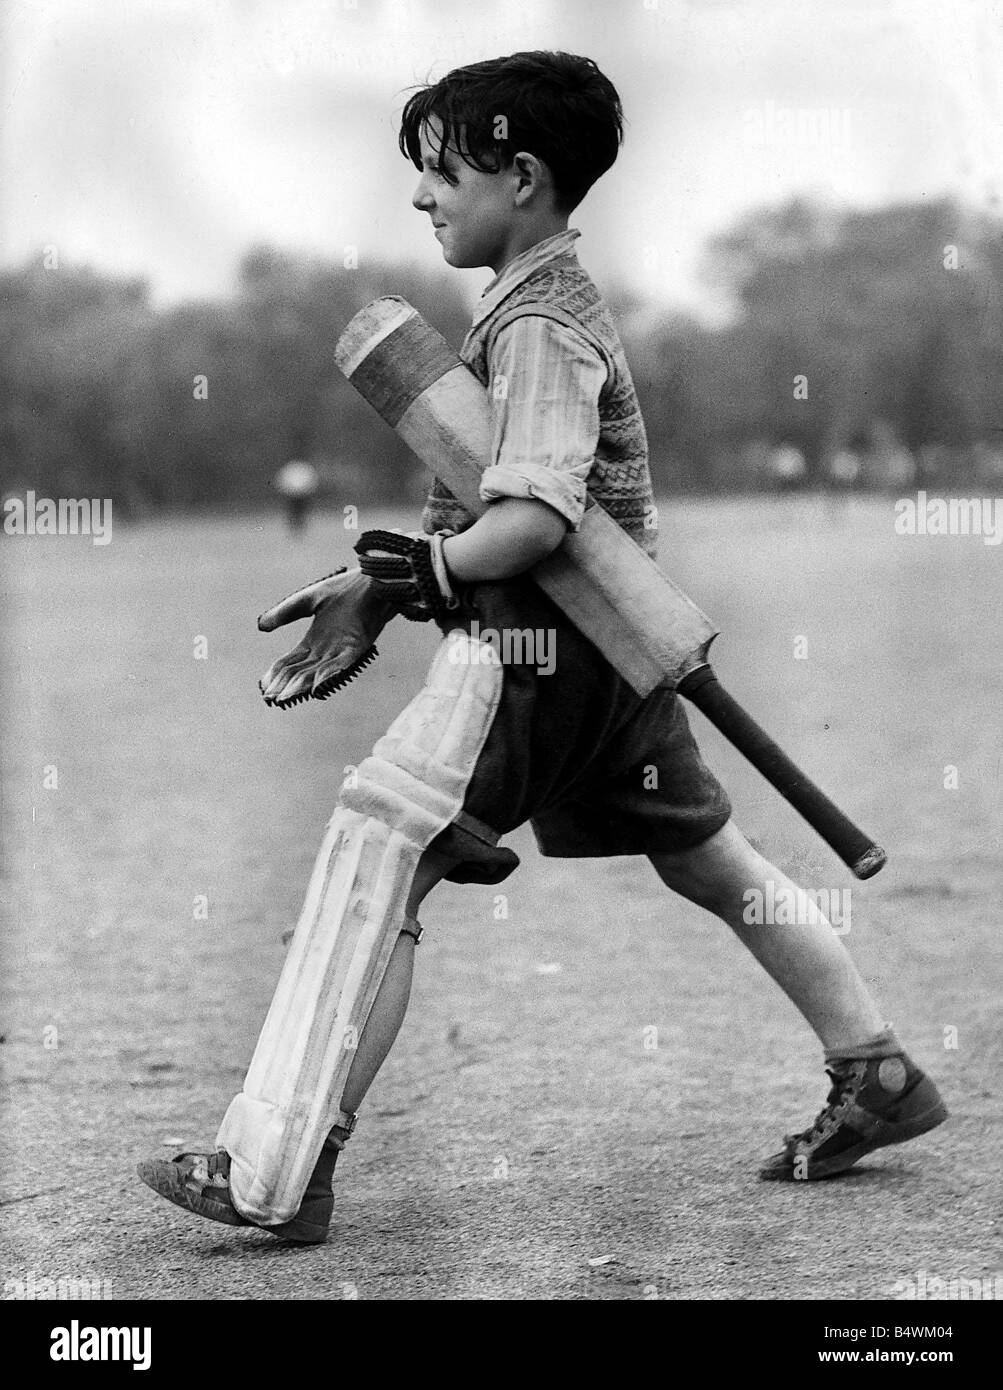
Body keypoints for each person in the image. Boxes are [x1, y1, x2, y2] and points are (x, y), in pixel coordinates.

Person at [138, 51, 947, 1244]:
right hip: (614, 658)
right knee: (712, 864)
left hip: (536, 660)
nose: (422, 197)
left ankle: (277, 1164)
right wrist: (389, 572)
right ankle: (873, 1067)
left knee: (379, 867)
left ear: (522, 176)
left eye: (442, 173)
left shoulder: (543, 326)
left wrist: (432, 571)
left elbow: (536, 515)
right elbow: (500, 497)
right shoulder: (533, 306)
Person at [273, 458, 319, 533]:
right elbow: (281, 480)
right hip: (292, 495)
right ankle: (293, 526)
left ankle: (300, 526)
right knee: (293, 511)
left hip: (302, 495)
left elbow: (312, 480)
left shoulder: (304, 467)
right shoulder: (290, 467)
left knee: (301, 512)